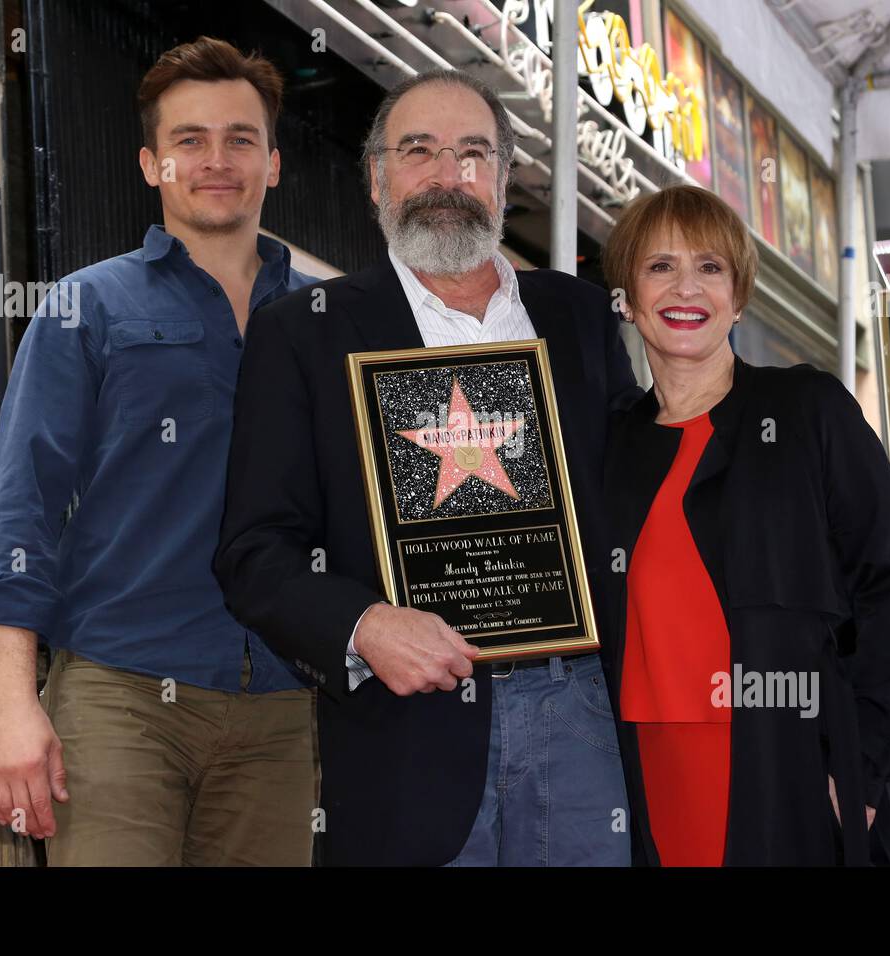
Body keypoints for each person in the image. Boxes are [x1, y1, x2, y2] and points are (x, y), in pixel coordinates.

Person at [214, 69, 642, 866]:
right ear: (376, 180)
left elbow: (644, 488)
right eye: (420, 152)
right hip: (407, 735)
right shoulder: (303, 333)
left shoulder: (579, 315)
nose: (449, 176)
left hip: (581, 720)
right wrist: (364, 625)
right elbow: (254, 553)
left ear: (505, 181)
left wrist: (809, 488)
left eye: (473, 153)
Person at [0, 37, 318, 866]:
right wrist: (11, 703)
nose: (216, 159)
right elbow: (21, 510)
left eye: (240, 138)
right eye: (189, 140)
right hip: (119, 697)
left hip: (282, 709)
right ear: (152, 163)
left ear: (274, 163)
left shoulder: (327, 323)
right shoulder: (86, 305)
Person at [600, 184, 890, 866]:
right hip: (647, 767)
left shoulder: (808, 410)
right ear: (625, 296)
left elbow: (888, 582)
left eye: (710, 268)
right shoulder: (608, 446)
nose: (686, 287)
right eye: (660, 266)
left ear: (738, 298)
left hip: (793, 763)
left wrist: (865, 758)